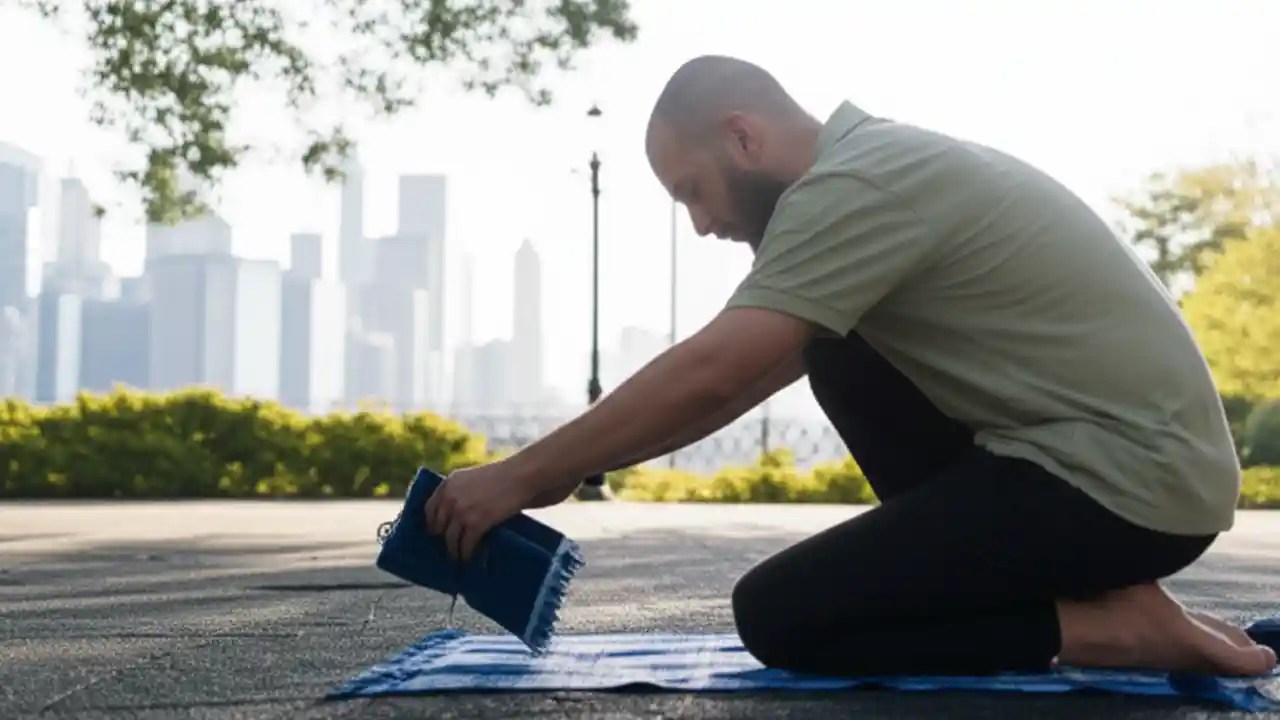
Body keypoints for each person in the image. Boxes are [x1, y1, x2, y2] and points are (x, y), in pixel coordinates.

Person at [423, 55, 1277, 678]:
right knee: (833, 346)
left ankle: (1116, 631)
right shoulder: (870, 168)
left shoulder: (858, 186)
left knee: (783, 617)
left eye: (692, 191)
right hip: (1111, 474)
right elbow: (746, 373)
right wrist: (561, 471)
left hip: (1126, 487)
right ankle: (1108, 603)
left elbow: (718, 370)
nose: (700, 224)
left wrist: (524, 475)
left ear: (743, 136)